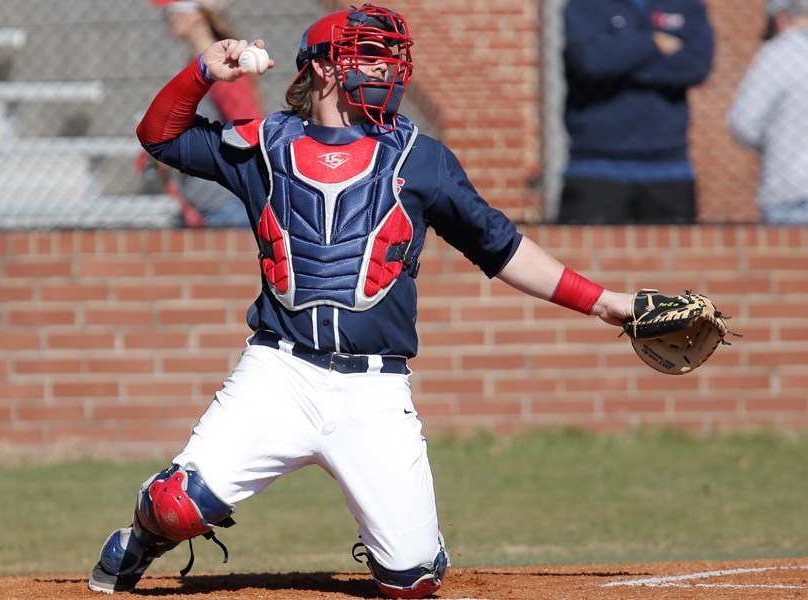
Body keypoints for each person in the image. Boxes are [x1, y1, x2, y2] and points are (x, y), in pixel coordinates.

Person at [88, 5, 635, 598]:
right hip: (280, 372)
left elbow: (503, 249)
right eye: (369, 53)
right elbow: (159, 136)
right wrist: (201, 71)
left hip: (374, 387)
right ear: (323, 69)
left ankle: (408, 545)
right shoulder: (264, 145)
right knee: (175, 504)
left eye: (391, 55)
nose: (388, 68)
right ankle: (140, 541)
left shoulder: (421, 157)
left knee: (414, 578)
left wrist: (604, 302)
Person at [557, 0, 715, 225]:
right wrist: (655, 40)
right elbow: (593, 61)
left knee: (676, 259)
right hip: (595, 167)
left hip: (670, 168)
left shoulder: (686, 5)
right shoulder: (585, 5)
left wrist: (620, 60)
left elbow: (696, 65)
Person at [147, 0, 263, 227]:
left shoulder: (224, 70)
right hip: (204, 204)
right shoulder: (199, 67)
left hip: (225, 206)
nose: (167, 19)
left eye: (171, 11)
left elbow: (252, 131)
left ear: (197, 15)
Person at [728, 0, 808, 224]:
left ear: (780, 19)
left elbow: (743, 124)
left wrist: (779, 139)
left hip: (790, 190)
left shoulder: (778, 53)